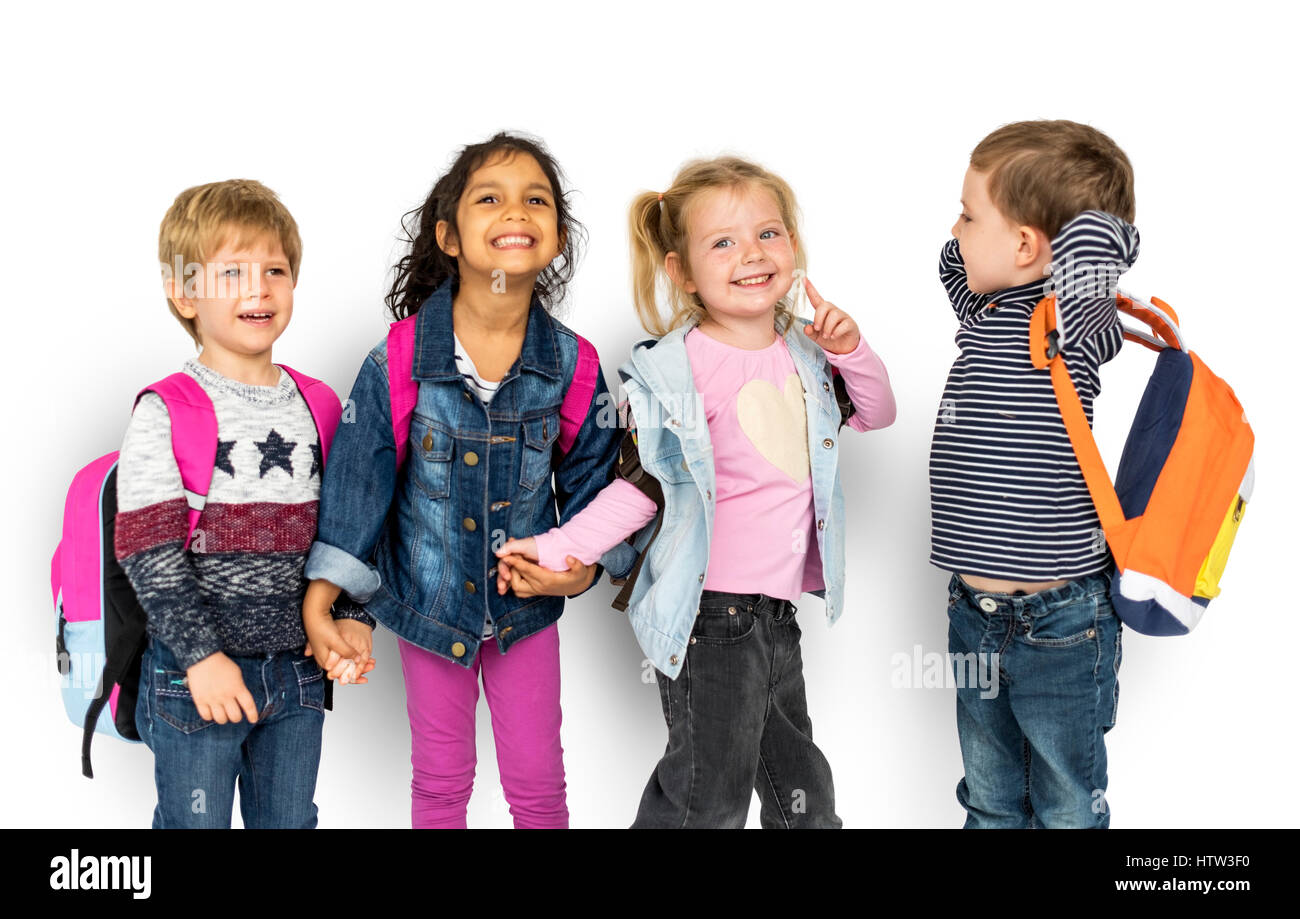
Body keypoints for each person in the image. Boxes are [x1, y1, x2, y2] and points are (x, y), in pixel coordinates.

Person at [496, 156, 896, 828]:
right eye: (724, 242)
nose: (752, 254)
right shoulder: (674, 372)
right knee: (705, 795)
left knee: (803, 791)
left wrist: (851, 347)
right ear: (681, 271)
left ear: (792, 246)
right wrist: (558, 544)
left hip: (776, 616)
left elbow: (876, 410)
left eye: (769, 234)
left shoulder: (806, 354)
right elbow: (642, 489)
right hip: (710, 619)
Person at [300, 133, 632, 829]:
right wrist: (326, 599)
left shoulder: (573, 364)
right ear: (449, 236)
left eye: (535, 199)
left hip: (526, 614)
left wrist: (580, 571)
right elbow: (360, 487)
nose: (516, 210)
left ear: (557, 237)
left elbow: (599, 487)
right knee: (443, 782)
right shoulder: (398, 360)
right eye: (491, 198)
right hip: (428, 609)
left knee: (539, 784)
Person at [117, 178, 370, 828]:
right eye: (231, 271)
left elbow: (351, 527)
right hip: (193, 678)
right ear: (184, 291)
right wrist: (201, 657)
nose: (258, 288)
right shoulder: (167, 409)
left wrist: (350, 616)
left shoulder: (319, 406)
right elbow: (148, 550)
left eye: (274, 269)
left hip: (296, 677)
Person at [932, 120, 1139, 828]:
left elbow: (1104, 243)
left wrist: (1063, 217)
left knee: (1066, 807)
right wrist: (986, 227)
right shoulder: (985, 311)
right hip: (974, 615)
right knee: (989, 800)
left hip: (1061, 624)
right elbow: (953, 263)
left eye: (967, 213)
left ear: (1027, 244)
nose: (954, 229)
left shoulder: (1074, 323)